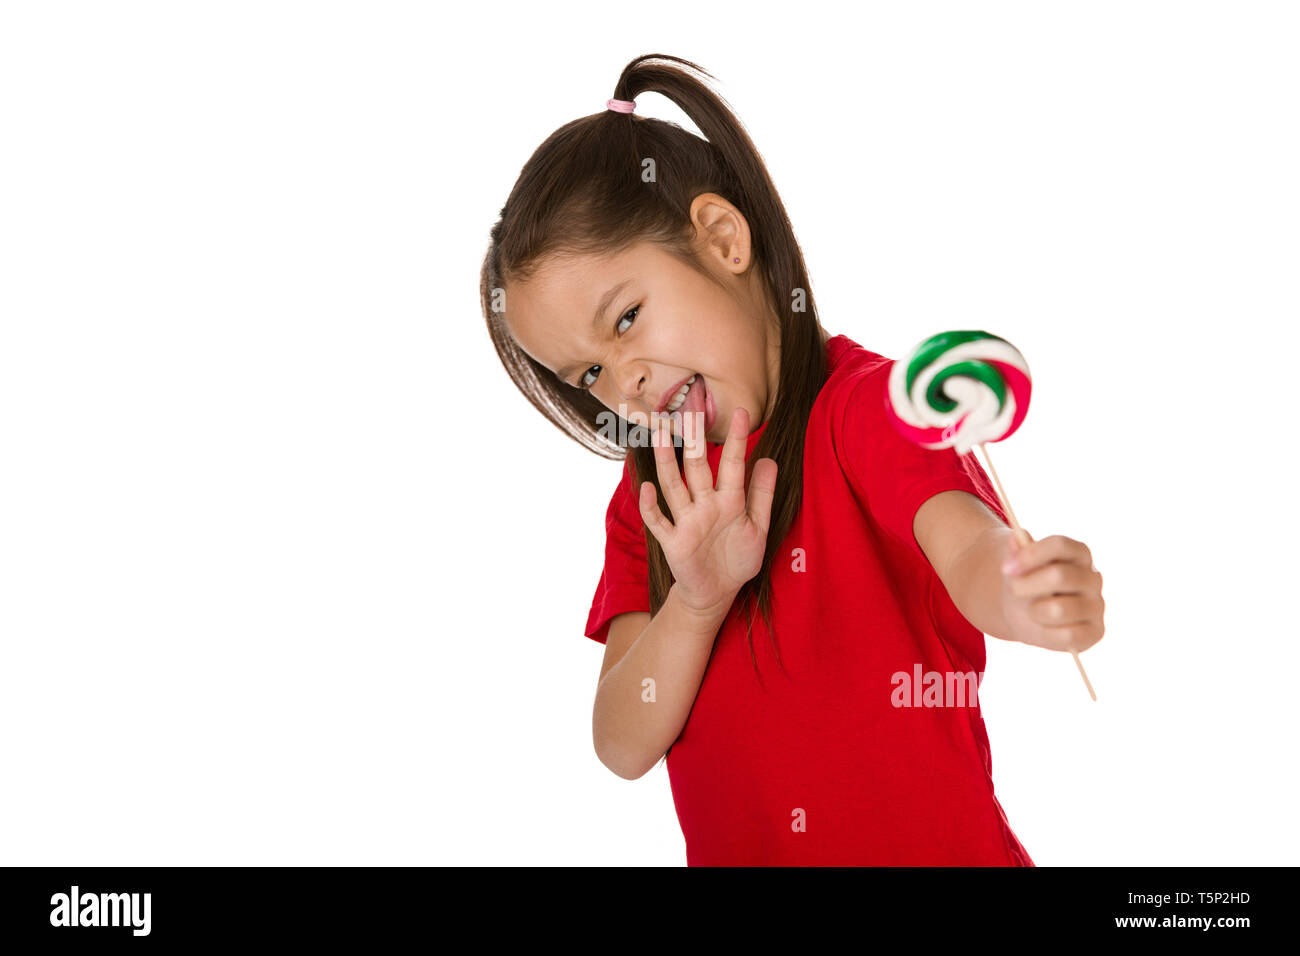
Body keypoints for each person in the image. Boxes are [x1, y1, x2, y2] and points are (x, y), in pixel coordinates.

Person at [479, 54, 1105, 865]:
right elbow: (622, 742)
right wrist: (698, 601)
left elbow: (972, 548)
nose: (621, 381)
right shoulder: (654, 499)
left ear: (722, 239)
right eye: (589, 374)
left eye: (627, 317)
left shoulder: (865, 410)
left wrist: (1024, 598)